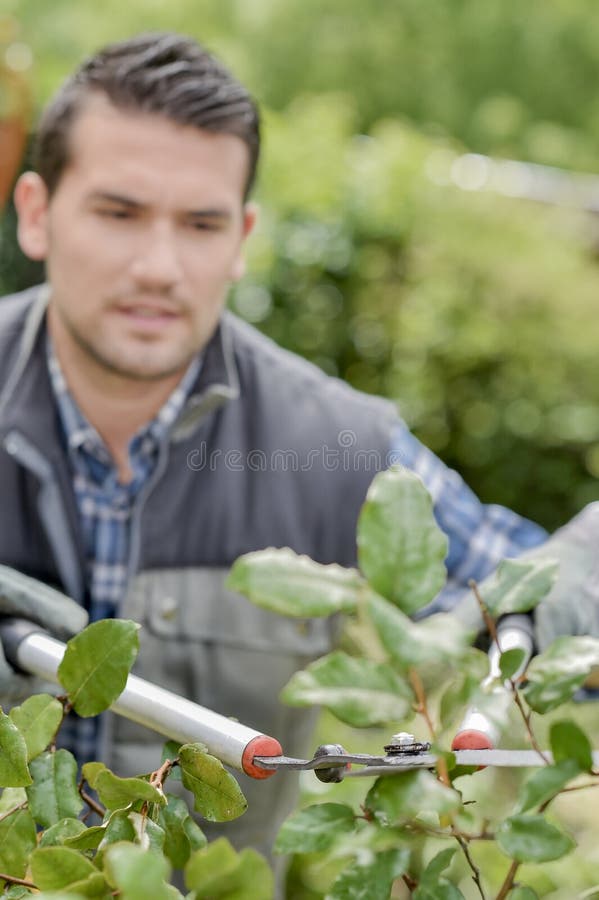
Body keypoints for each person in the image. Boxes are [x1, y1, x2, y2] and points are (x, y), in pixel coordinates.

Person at [0, 31, 550, 871]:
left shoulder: (337, 446)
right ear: (36, 212)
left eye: (200, 223)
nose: (158, 265)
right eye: (118, 213)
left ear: (243, 236)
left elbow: (526, 592)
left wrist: (572, 584)